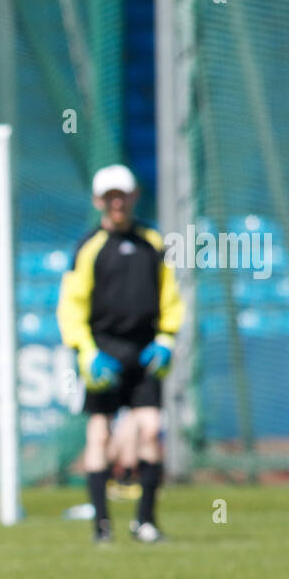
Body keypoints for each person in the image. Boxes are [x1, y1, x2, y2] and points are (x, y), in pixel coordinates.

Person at [58, 164, 183, 543]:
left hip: (146, 349)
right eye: (110, 196)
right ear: (99, 201)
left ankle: (145, 521)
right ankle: (101, 525)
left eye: (122, 195)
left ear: (133, 197)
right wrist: (86, 351)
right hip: (104, 349)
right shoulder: (89, 247)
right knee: (99, 434)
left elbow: (171, 298)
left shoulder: (153, 242)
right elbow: (71, 306)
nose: (117, 202)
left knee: (149, 431)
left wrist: (166, 338)